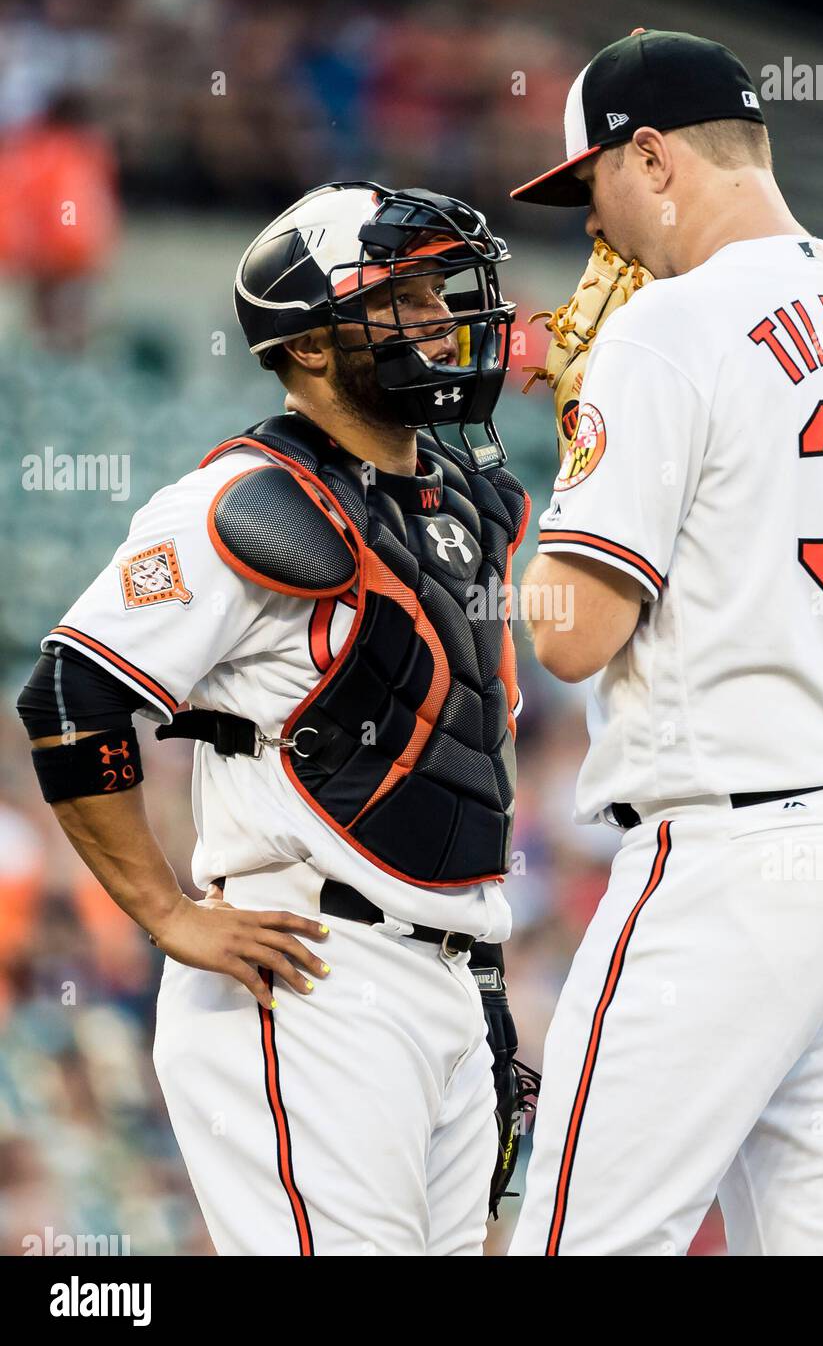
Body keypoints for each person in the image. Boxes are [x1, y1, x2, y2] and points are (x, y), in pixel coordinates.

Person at [508, 28, 823, 1256]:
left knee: (580, 1239)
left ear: (651, 158)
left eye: (592, 188)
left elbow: (572, 636)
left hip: (726, 861)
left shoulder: (664, 332)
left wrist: (560, 460)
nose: (595, 227)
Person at [17, 182, 531, 1256]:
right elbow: (71, 696)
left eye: (441, 292)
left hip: (453, 973)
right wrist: (162, 913)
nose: (439, 319)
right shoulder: (247, 500)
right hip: (312, 970)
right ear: (305, 346)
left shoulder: (461, 494)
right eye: (401, 298)